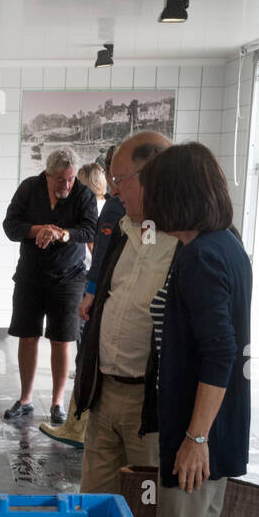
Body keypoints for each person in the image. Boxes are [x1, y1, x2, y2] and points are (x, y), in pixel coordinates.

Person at [139, 143, 251, 517]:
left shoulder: (202, 256)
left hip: (202, 431)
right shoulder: (223, 246)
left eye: (155, 189)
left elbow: (220, 351)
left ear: (175, 194)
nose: (148, 199)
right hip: (217, 428)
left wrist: (194, 438)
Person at [73, 131, 178, 493]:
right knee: (94, 501)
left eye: (119, 180)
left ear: (152, 176)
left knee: (147, 515)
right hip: (104, 392)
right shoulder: (124, 229)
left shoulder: (190, 244)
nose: (113, 191)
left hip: (149, 407)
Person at [2, 148, 98, 423]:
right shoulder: (29, 188)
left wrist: (63, 234)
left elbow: (90, 229)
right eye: (60, 180)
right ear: (47, 174)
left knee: (61, 340)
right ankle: (25, 398)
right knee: (27, 336)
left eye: (70, 179)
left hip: (69, 278)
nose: (66, 185)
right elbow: (10, 226)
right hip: (30, 276)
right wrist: (38, 230)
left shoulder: (83, 193)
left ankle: (57, 403)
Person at [40, 149, 123, 447]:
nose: (115, 184)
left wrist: (90, 292)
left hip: (106, 294)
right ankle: (88, 427)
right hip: (115, 295)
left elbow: (98, 254)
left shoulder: (114, 209)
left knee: (88, 357)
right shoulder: (121, 206)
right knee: (92, 359)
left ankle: (78, 427)